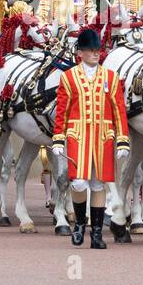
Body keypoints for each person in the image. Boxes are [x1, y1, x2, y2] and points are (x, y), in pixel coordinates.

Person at [52, 28, 130, 249]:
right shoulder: (68, 77)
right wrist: (58, 137)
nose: (96, 54)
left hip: (103, 136)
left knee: (98, 184)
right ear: (81, 53)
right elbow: (62, 111)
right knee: (78, 183)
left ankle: (97, 233)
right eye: (91, 50)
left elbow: (118, 110)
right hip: (78, 135)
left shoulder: (111, 77)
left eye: (98, 50)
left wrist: (123, 138)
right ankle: (79, 225)